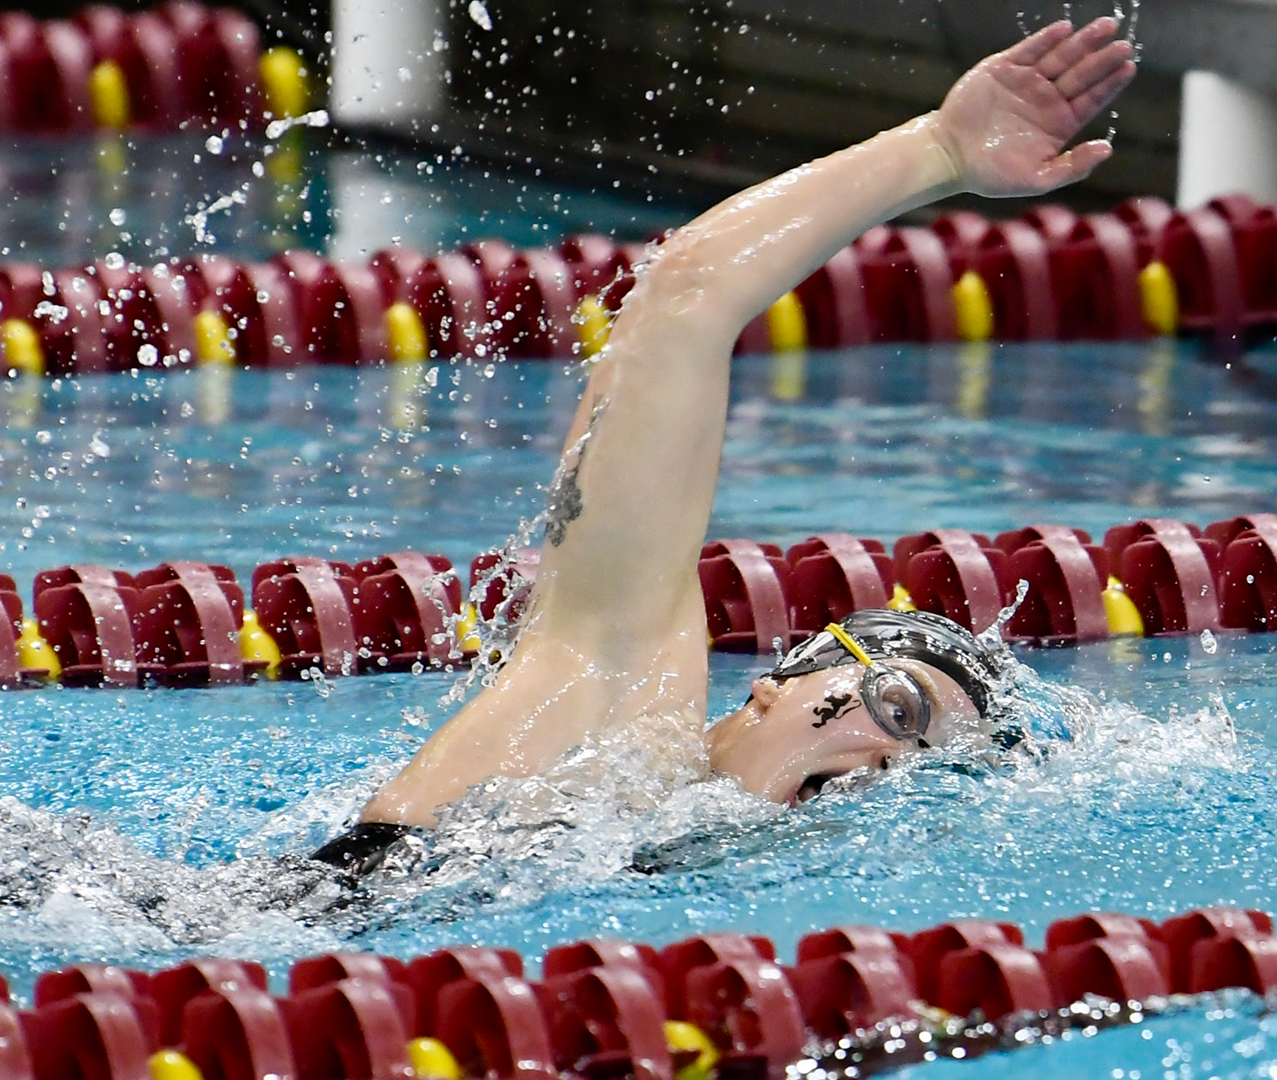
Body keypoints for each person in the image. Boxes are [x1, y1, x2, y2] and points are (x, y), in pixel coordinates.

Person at [313, 18, 1137, 873]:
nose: (899, 765)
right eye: (899, 708)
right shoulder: (612, 710)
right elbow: (684, 297)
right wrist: (936, 149)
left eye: (936, 771)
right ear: (775, 686)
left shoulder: (711, 863)